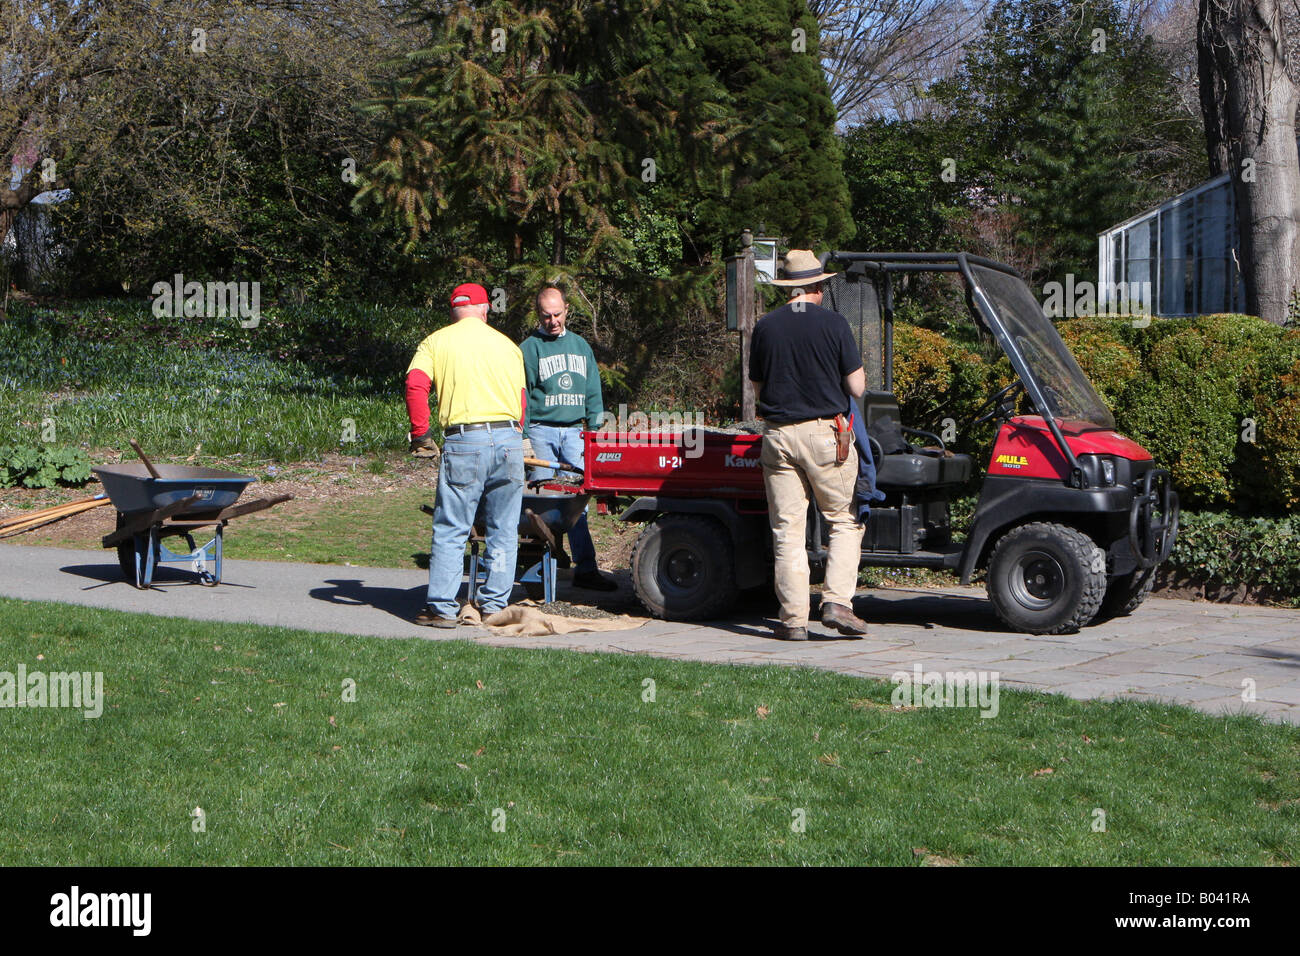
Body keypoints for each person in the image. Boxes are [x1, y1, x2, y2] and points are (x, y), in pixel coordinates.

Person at [748, 249, 871, 641]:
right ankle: (836, 602)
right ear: (818, 286)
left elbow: (757, 390)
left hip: (778, 436)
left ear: (789, 288)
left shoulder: (765, 327)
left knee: (787, 531)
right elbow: (857, 387)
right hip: (824, 436)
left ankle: (793, 621)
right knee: (844, 520)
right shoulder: (834, 324)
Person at [405, 282, 526, 626]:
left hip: (465, 441)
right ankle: (494, 605)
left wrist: (420, 435)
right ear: (485, 310)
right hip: (509, 441)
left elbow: (416, 384)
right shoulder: (508, 346)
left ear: (453, 311)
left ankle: (442, 609)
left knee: (452, 528)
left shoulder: (437, 341)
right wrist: (516, 436)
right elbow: (521, 401)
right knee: (503, 529)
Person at [520, 286, 617, 591]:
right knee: (542, 503)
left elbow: (592, 391)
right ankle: (538, 571)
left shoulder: (580, 346)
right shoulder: (529, 349)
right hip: (540, 430)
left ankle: (586, 570)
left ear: (566, 311)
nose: (553, 321)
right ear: (538, 314)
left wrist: (596, 428)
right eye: (547, 316)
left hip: (575, 432)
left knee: (577, 504)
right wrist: (524, 438)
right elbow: (520, 396)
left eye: (558, 314)